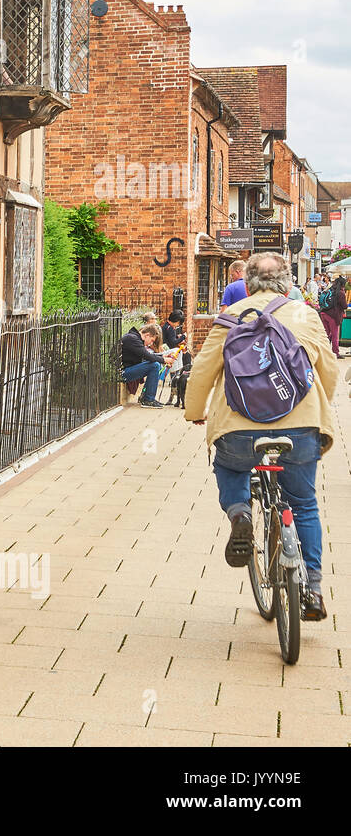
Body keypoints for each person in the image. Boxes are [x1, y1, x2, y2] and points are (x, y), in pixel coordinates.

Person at [184, 252, 337, 621]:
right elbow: (328, 370)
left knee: (231, 467)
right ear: (288, 281)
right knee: (303, 504)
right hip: (300, 429)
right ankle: (313, 589)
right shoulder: (306, 315)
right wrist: (319, 407)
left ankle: (239, 514)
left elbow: (203, 371)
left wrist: (195, 412)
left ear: (247, 283)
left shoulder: (229, 318)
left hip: (239, 429)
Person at [121, 321, 173, 408]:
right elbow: (147, 356)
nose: (151, 343)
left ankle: (145, 397)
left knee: (155, 364)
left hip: (127, 369)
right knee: (155, 365)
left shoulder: (135, 338)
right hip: (123, 373)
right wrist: (164, 360)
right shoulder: (133, 339)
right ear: (147, 335)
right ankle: (148, 400)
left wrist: (162, 356)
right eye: (152, 340)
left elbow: (146, 356)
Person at [318, 275, 346, 358]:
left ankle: (324, 351)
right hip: (333, 316)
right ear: (342, 285)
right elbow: (344, 306)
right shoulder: (340, 293)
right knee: (334, 335)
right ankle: (335, 353)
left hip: (324, 313)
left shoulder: (330, 289)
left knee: (326, 334)